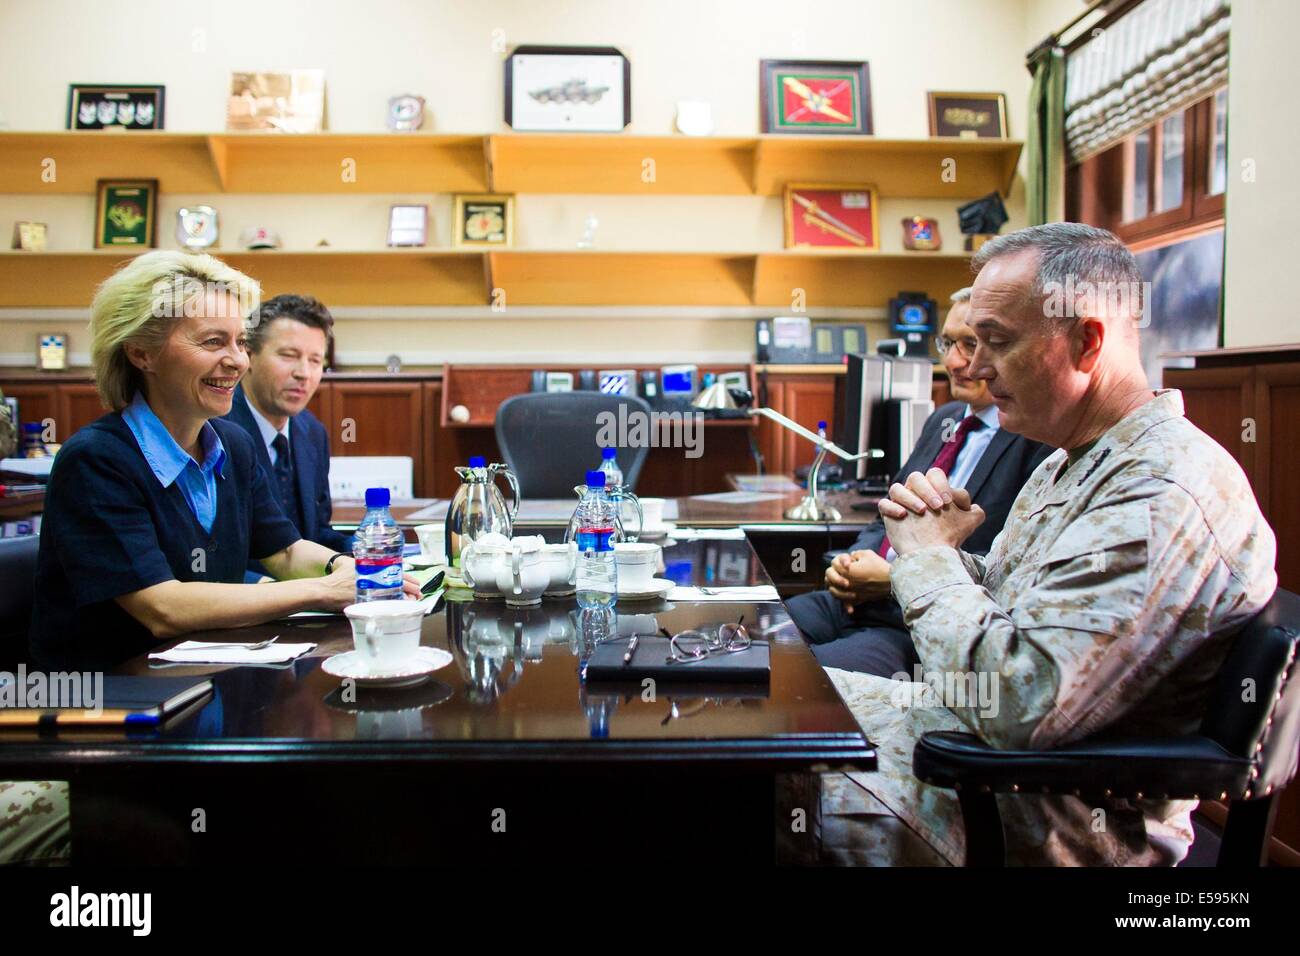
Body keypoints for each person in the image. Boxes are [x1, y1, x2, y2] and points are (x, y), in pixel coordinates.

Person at [789, 223, 1277, 866]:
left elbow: (1023, 703)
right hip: (970, 751)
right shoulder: (1073, 460)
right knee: (749, 702)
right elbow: (1021, 599)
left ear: (1086, 341)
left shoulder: (1160, 493)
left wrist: (930, 556)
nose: (975, 366)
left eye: (996, 341)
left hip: (1038, 812)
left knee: (723, 775)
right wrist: (946, 553)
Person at [28, 251, 419, 672]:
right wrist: (324, 590)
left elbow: (283, 551)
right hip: (112, 703)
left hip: (207, 680)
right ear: (141, 352)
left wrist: (347, 567)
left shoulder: (233, 443)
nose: (238, 360)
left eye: (240, 342)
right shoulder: (96, 460)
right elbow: (163, 607)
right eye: (213, 341)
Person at [785, 288, 1050, 677]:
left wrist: (894, 580)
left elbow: (999, 566)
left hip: (913, 625)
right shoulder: (944, 419)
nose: (957, 361)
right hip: (853, 601)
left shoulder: (1035, 439)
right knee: (757, 638)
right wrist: (851, 562)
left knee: (808, 680)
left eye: (970, 344)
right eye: (947, 343)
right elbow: (885, 513)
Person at [223, 294, 352, 579]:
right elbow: (213, 555)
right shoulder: (214, 430)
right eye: (288, 356)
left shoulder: (312, 432)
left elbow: (314, 533)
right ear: (249, 356)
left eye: (315, 360)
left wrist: (358, 549)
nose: (303, 373)